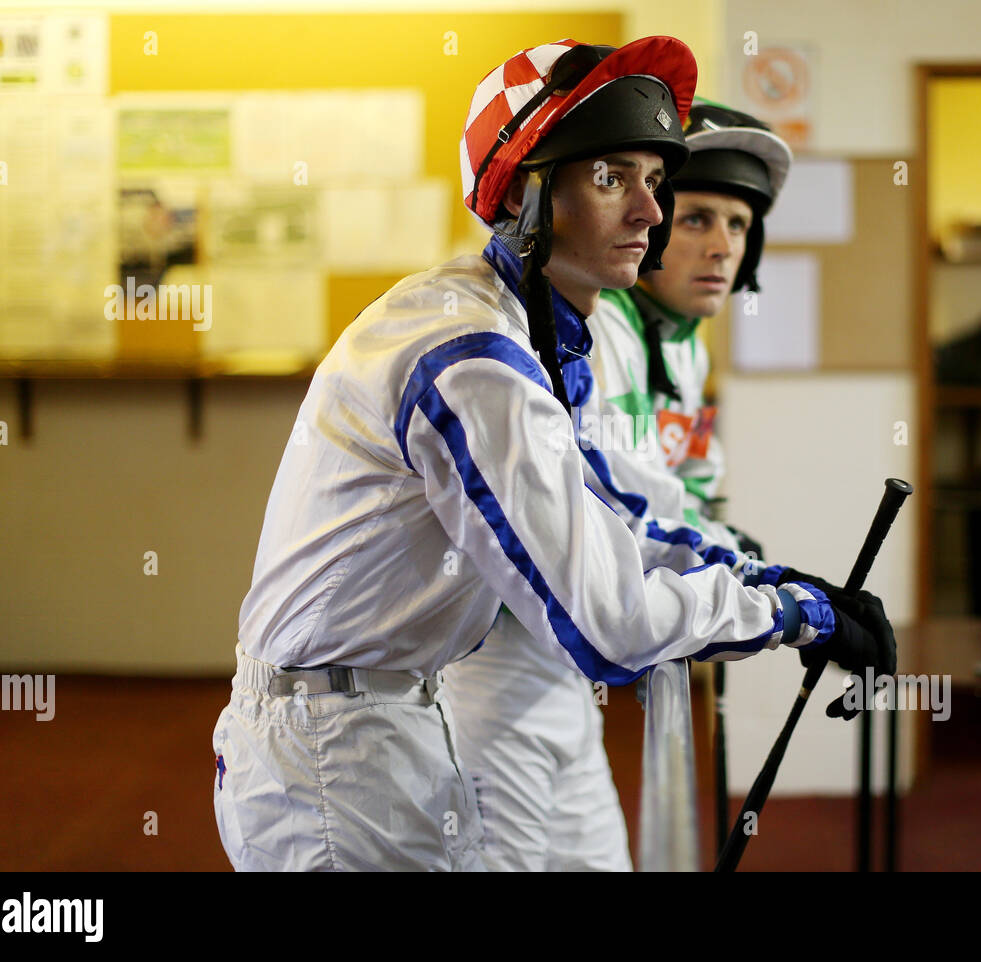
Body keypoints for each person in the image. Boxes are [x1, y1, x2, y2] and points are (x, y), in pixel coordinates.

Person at [210, 37, 874, 873]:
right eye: (611, 178)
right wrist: (784, 617)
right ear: (525, 193)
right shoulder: (474, 352)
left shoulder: (519, 330)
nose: (651, 213)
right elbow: (612, 622)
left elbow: (608, 517)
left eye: (655, 182)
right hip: (341, 751)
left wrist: (777, 586)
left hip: (392, 717)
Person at [445, 98, 898, 871]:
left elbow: (692, 493)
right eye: (696, 220)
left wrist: (752, 560)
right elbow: (628, 512)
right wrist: (786, 599)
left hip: (566, 675)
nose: (721, 247)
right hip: (499, 665)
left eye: (739, 227)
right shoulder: (598, 330)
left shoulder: (684, 348)